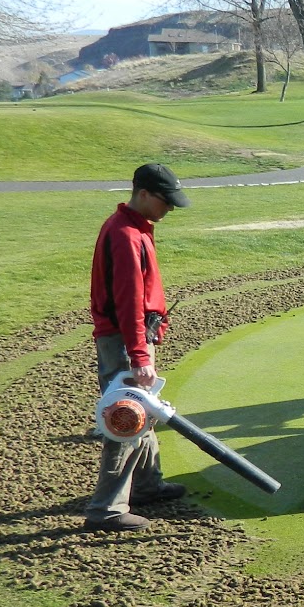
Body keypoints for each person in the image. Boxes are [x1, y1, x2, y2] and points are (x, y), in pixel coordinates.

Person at [84, 162, 190, 532]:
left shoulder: (134, 228)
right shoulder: (126, 235)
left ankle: (146, 485)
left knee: (144, 411)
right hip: (127, 340)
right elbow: (128, 302)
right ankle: (106, 510)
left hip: (132, 337)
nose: (170, 209)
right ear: (143, 194)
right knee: (126, 418)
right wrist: (141, 355)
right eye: (166, 201)